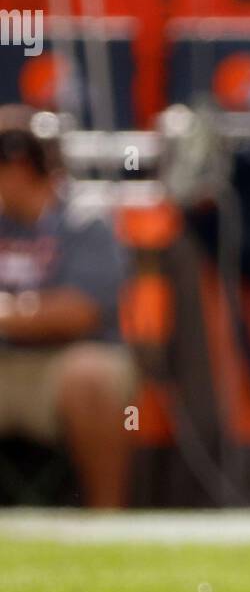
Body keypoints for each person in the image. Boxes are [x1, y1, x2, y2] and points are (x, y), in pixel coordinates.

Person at [0, 109, 136, 508]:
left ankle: (105, 521)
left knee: (91, 376)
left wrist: (7, 314)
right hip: (6, 362)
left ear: (19, 167)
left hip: (66, 363)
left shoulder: (83, 218)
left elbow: (79, 311)